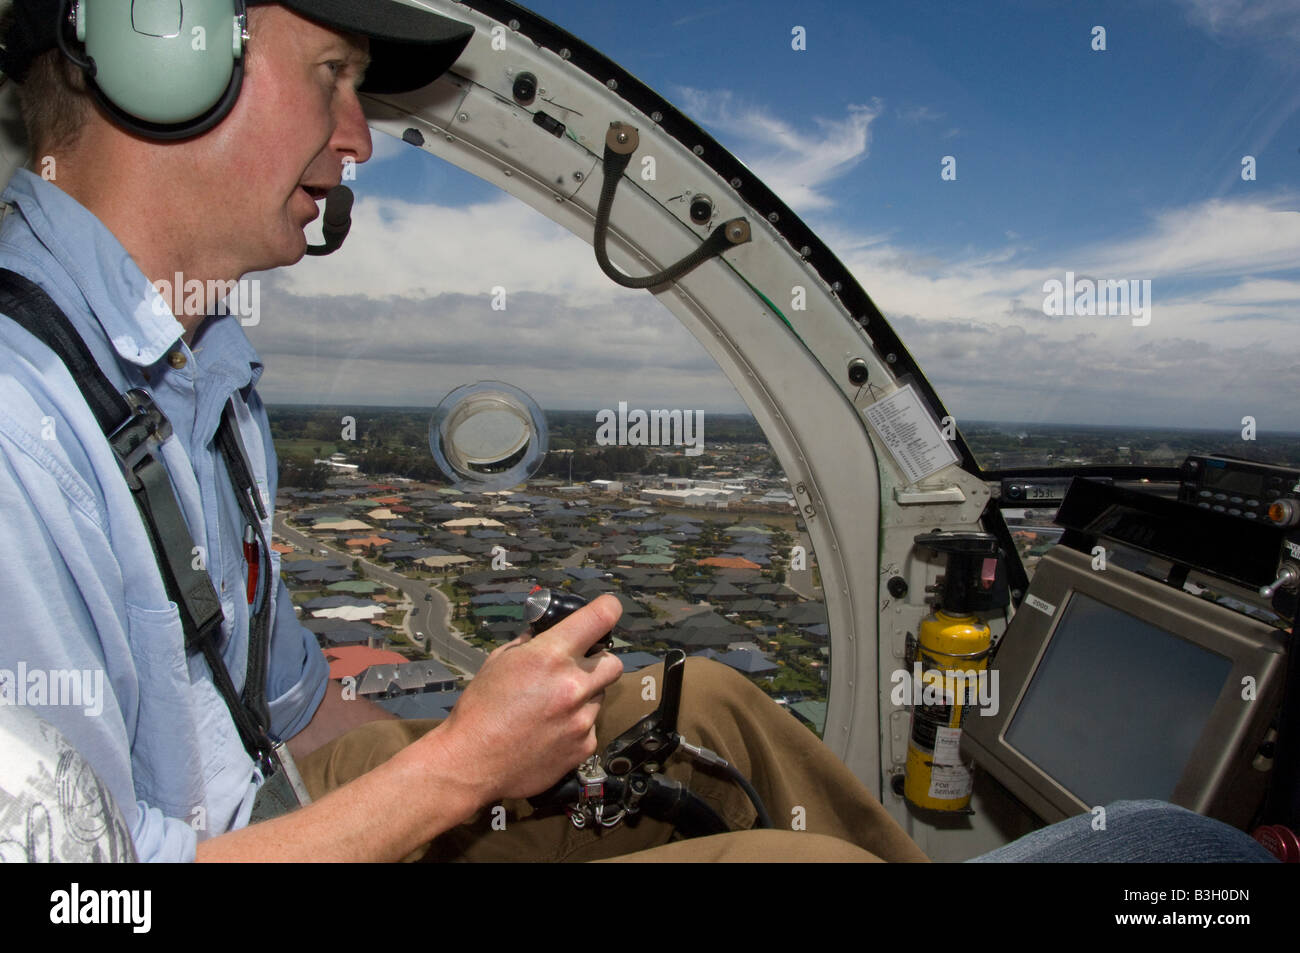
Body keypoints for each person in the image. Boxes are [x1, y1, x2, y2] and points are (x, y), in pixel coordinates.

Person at [0, 0, 930, 864]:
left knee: (708, 707)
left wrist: (490, 731)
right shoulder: (21, 425)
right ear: (164, 43)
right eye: (333, 72)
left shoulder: (209, 378)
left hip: (270, 807)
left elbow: (295, 712)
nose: (359, 137)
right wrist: (462, 766)